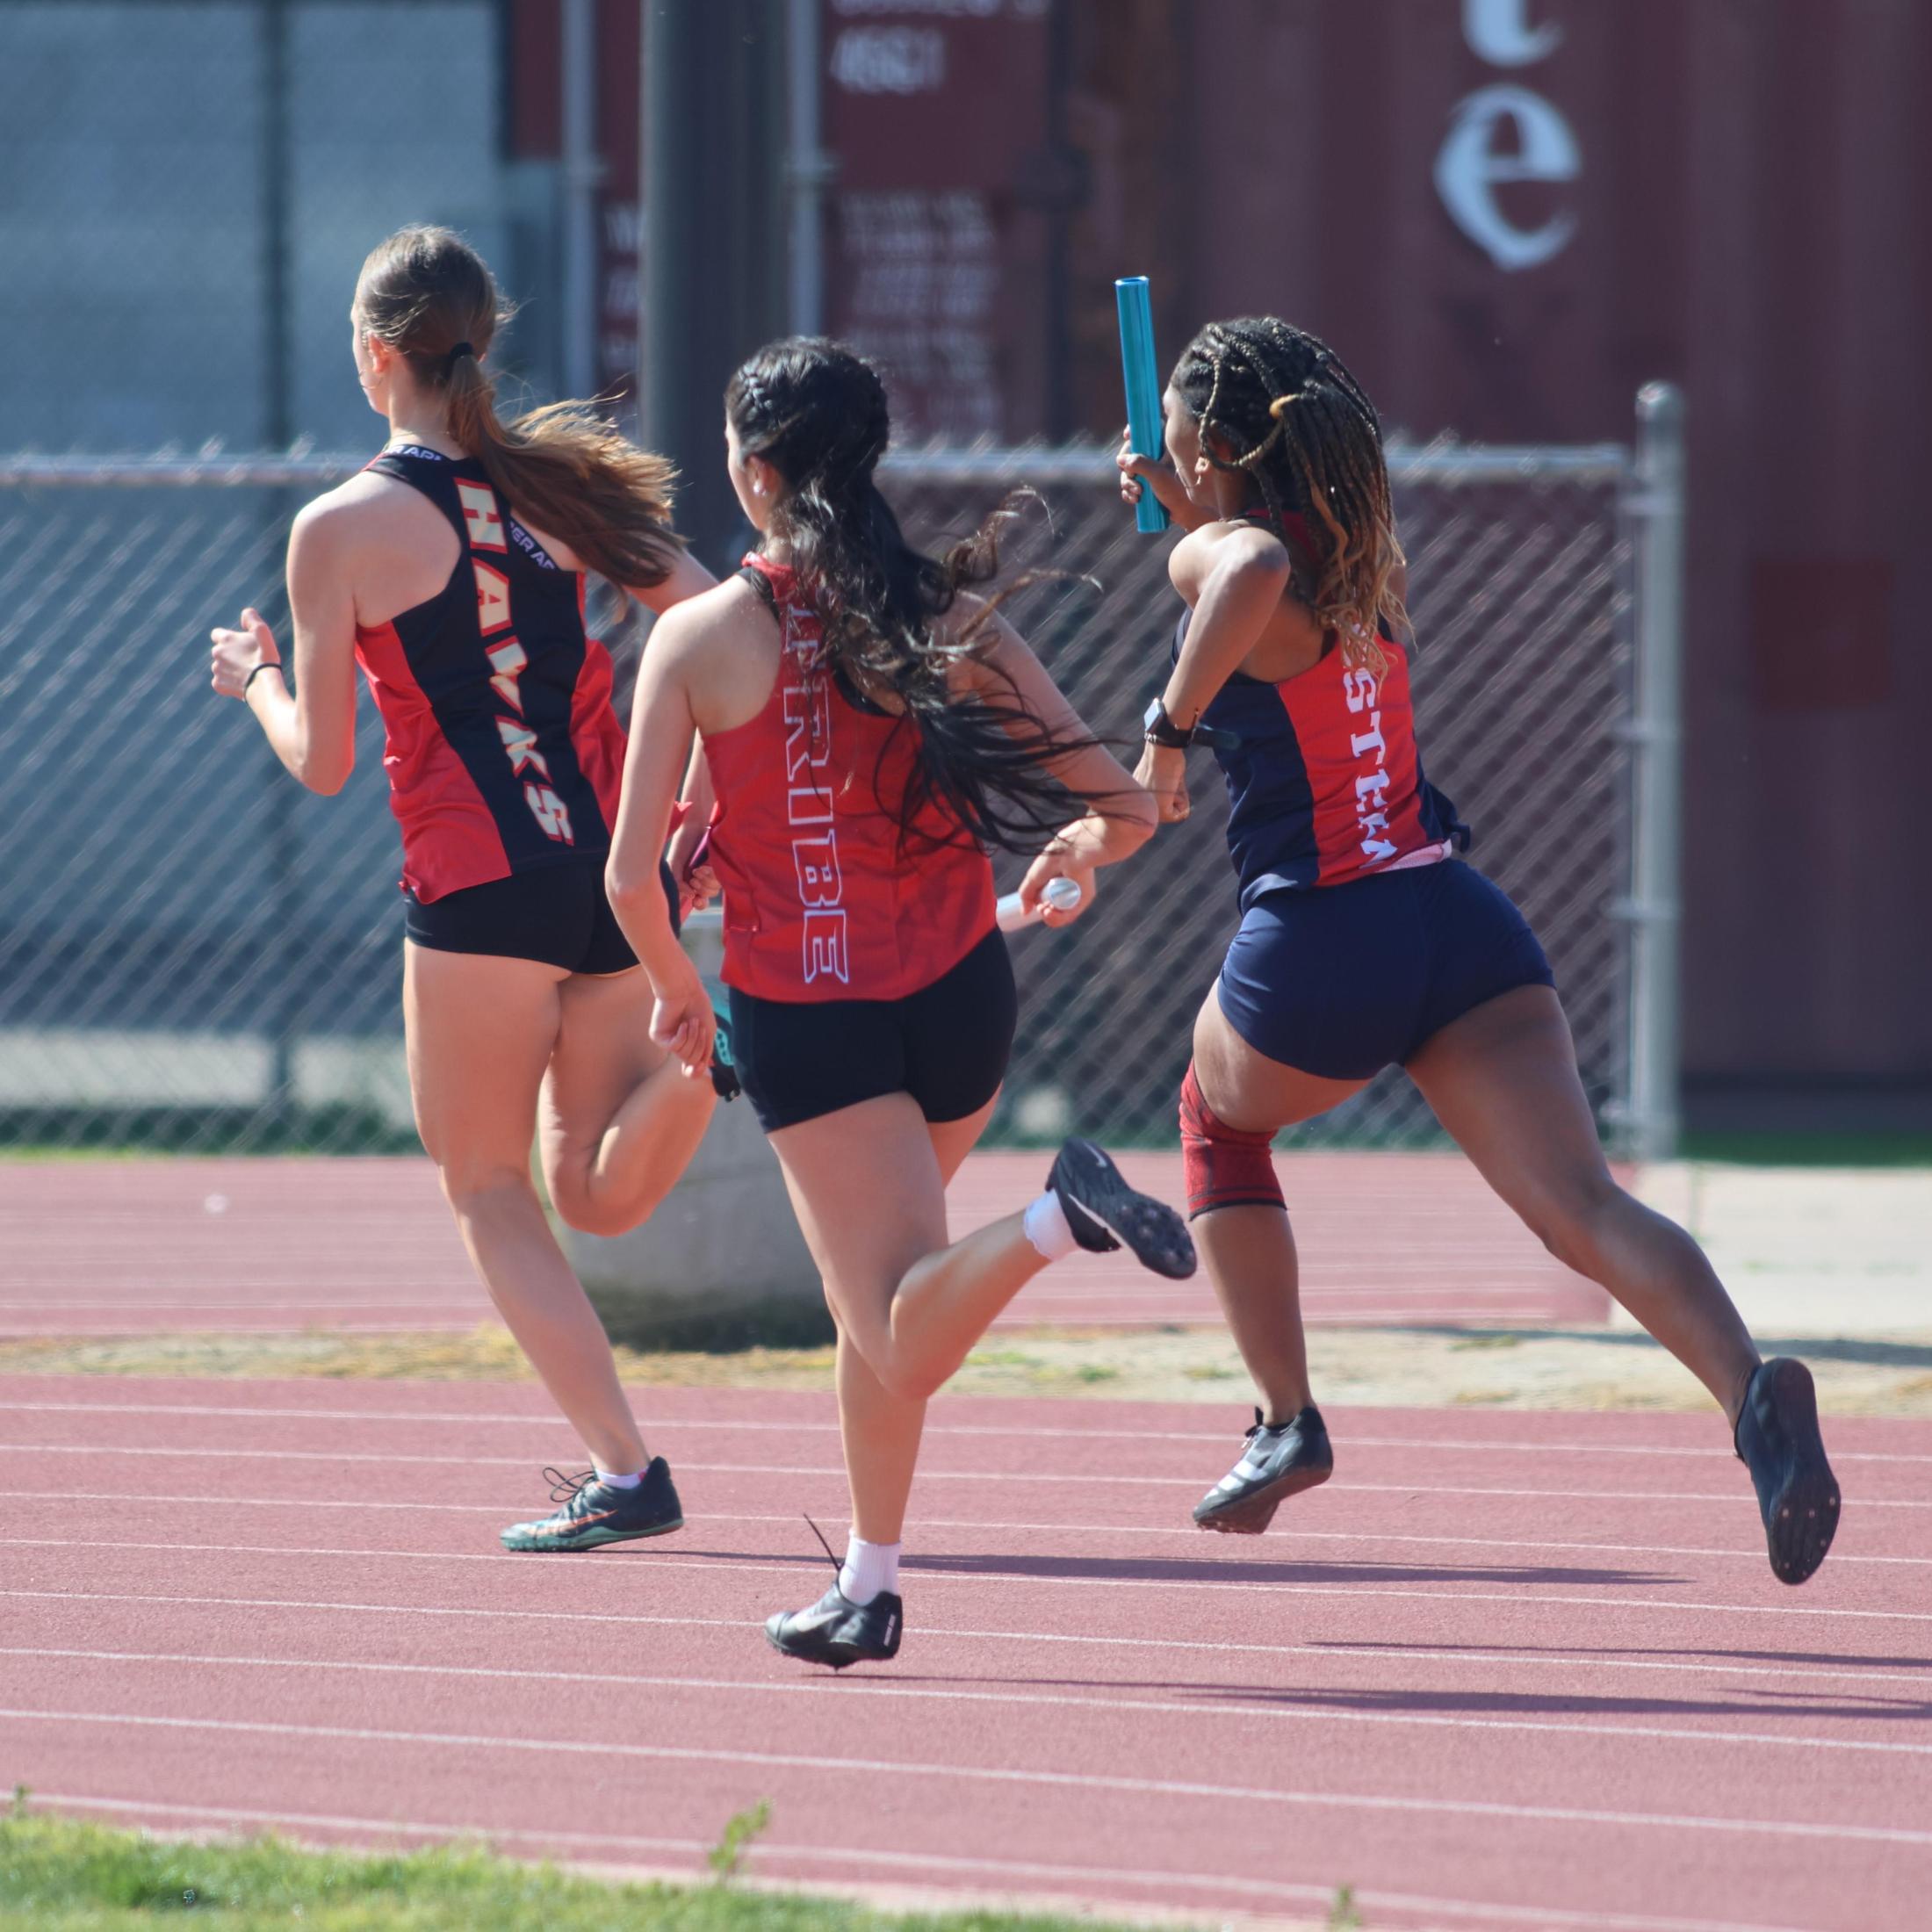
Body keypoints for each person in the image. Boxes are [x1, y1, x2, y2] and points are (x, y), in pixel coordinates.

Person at [1118, 315, 1839, 1587]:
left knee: (1214, 1119)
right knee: (1581, 1206)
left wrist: (1164, 731)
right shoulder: (1360, 555)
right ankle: (1751, 1394)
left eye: (1183, 446)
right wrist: (1196, 507)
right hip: (1457, 924)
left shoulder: (1238, 560)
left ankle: (1285, 1420)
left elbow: (1238, 577)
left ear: (1219, 449)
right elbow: (1255, 562)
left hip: (1326, 940)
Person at [606, 337, 1195, 1667]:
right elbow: (1127, 805)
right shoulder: (949, 616)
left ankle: (1060, 1214)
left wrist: (676, 999)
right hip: (958, 1007)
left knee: (894, 1324)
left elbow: (627, 879)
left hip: (816, 1024)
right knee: (891, 1299)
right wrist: (1072, 861)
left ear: (755, 478)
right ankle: (867, 1585)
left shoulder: (699, 639)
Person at [207, 225, 723, 1554]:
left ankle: (626, 1471)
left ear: (379, 355)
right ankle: (734, 1059)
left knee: (488, 1186)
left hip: (478, 891)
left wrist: (254, 677)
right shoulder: (554, 485)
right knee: (592, 1192)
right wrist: (697, 789)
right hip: (607, 876)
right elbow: (717, 613)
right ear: (476, 343)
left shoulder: (342, 526)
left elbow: (321, 762)